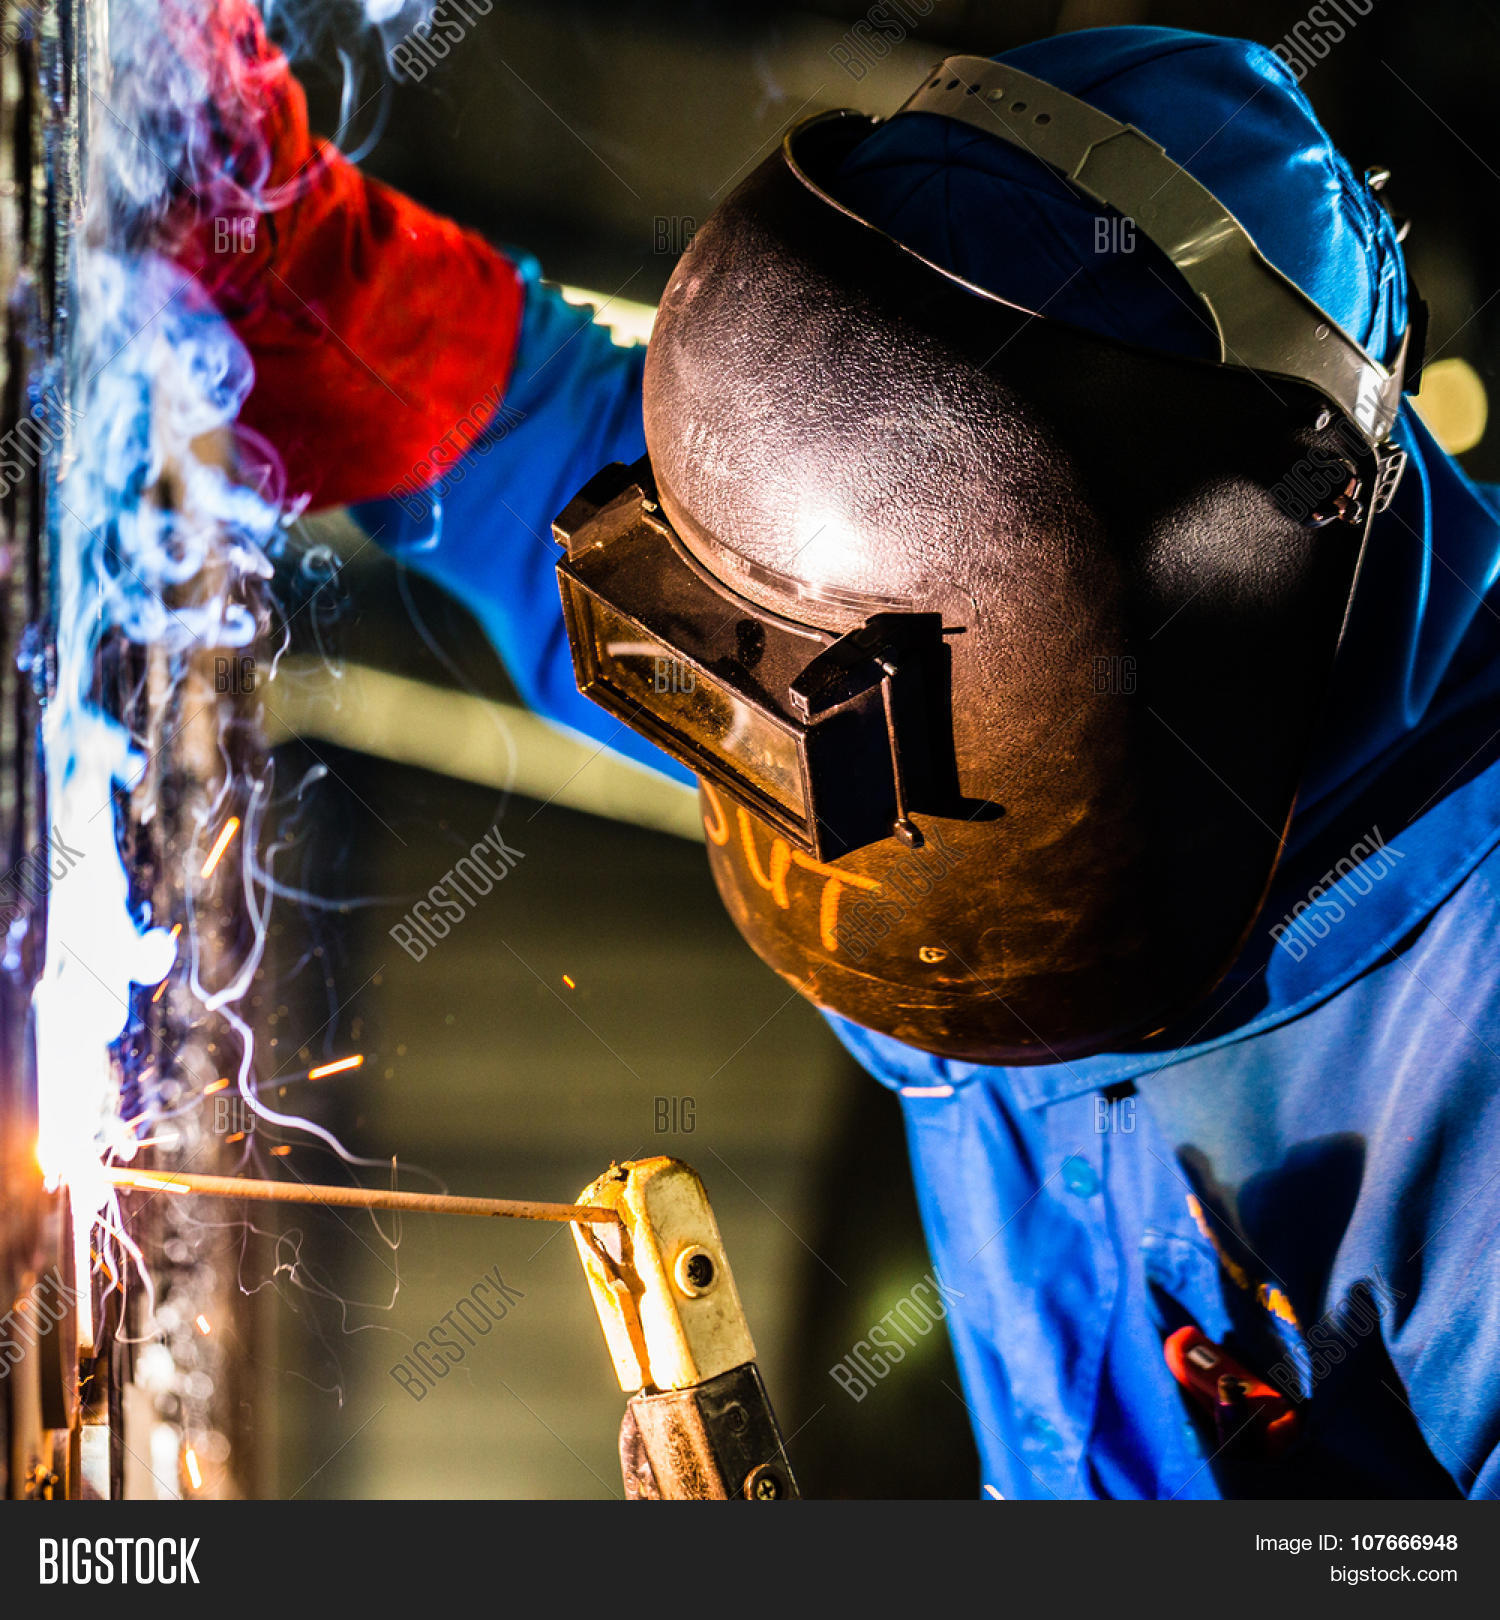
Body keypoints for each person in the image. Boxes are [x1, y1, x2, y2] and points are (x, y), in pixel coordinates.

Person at [178, 6, 1500, 1498]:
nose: (822, 793)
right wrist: (258, 239)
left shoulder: (1468, 1058)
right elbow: (501, 430)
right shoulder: (900, 647)